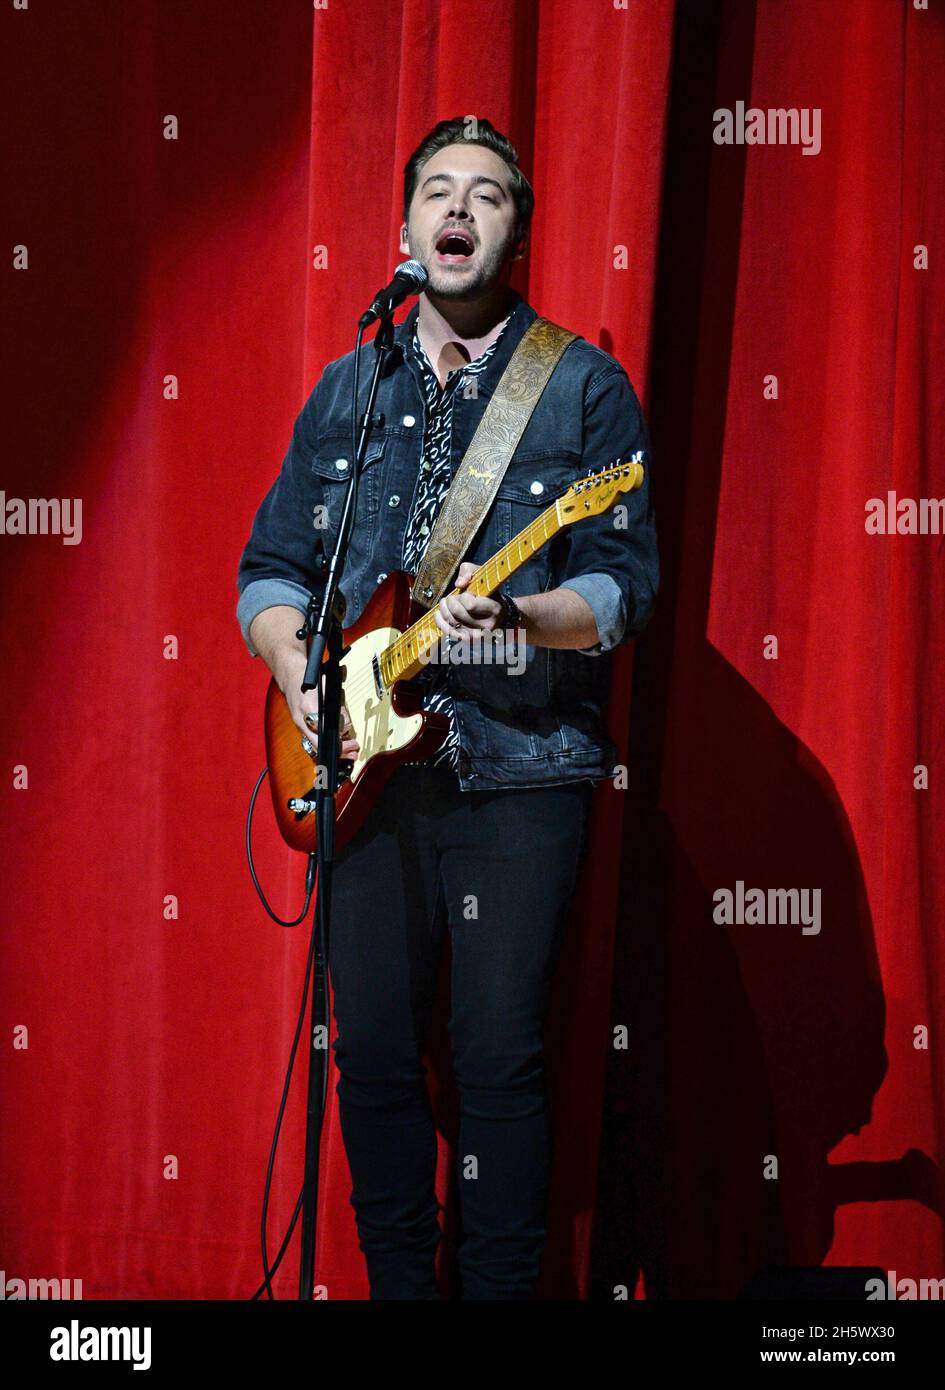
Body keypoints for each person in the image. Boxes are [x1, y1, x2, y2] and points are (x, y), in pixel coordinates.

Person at [236, 116, 659, 1300]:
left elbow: (623, 585)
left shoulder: (579, 388)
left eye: (487, 194)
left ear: (515, 232)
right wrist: (299, 678)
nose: (459, 208)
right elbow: (268, 569)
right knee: (367, 1056)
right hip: (365, 774)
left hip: (522, 771)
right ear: (408, 228)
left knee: (498, 1061)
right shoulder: (348, 388)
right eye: (437, 191)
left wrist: (524, 621)